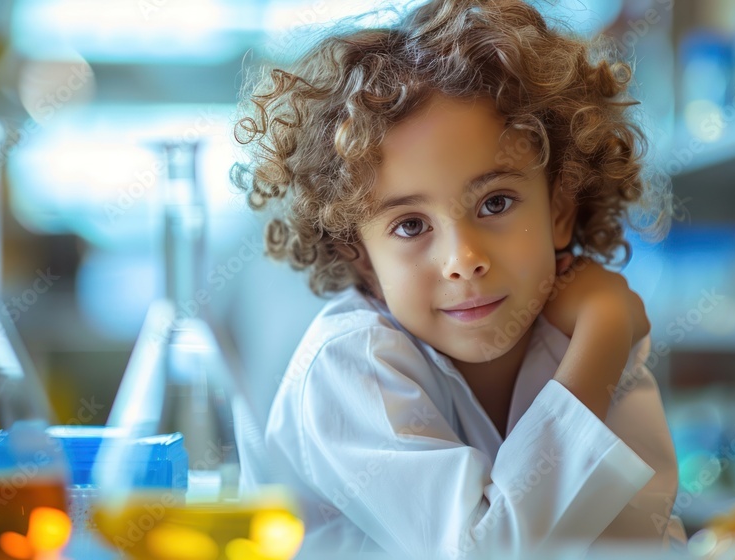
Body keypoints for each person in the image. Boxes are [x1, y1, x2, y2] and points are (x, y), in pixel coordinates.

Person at [231, 0, 684, 557]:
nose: (462, 258)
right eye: (411, 224)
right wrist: (605, 336)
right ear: (361, 257)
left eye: (495, 202)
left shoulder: (567, 335)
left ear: (559, 211)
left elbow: (642, 541)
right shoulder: (348, 365)